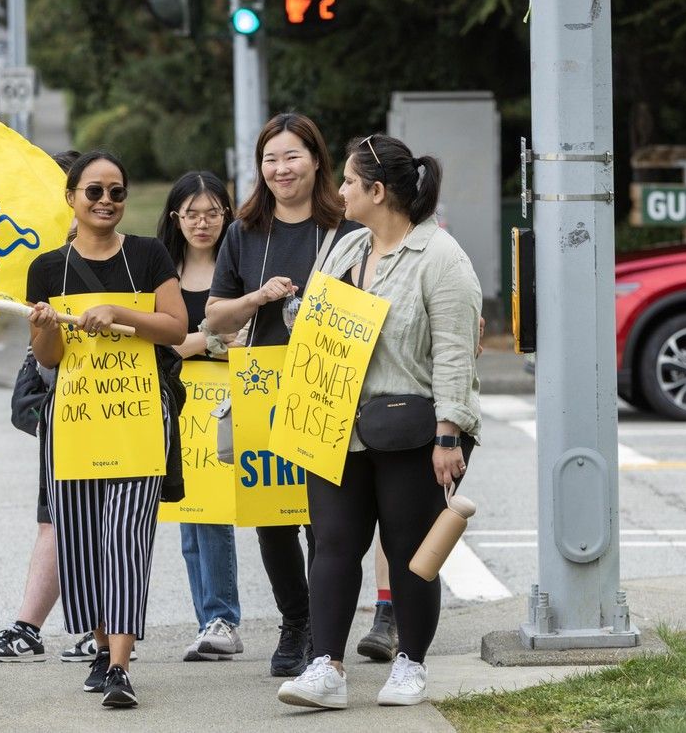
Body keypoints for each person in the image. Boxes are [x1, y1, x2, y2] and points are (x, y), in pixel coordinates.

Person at [277, 133, 481, 710]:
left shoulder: (440, 257)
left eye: (348, 181)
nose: (339, 190)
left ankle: (411, 664)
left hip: (412, 430)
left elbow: (455, 352)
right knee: (333, 544)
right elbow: (316, 322)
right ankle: (326, 667)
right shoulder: (346, 247)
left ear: (377, 191)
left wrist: (449, 434)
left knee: (409, 547)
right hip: (337, 425)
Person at [26, 149, 188, 709]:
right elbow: (47, 357)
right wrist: (47, 326)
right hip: (74, 425)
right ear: (71, 197)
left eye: (116, 192)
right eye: (93, 191)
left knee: (125, 542)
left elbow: (175, 328)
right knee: (83, 544)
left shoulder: (147, 255)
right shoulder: (47, 268)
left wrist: (119, 314)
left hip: (138, 420)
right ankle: (99, 648)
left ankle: (120, 665)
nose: (105, 201)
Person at [205, 113, 361, 677]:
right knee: (272, 519)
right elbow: (216, 315)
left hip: (329, 387)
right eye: (270, 159)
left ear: (317, 160)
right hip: (263, 389)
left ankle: (323, 627)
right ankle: (294, 622)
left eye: (292, 156)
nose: (281, 169)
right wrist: (257, 299)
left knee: (326, 521)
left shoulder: (348, 228)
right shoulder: (245, 232)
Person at [0, 149, 83, 665]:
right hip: (61, 403)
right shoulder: (44, 260)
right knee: (55, 519)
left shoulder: (122, 257)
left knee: (98, 522)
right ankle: (30, 627)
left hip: (110, 404)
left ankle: (104, 633)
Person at [156, 171, 244, 662]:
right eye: (192, 214)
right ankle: (210, 620)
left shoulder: (239, 268)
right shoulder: (162, 272)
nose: (202, 223)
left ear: (227, 215)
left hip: (235, 401)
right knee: (191, 516)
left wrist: (195, 341)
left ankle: (223, 617)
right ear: (176, 218)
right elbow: (162, 343)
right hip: (179, 404)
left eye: (212, 213)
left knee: (221, 515)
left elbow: (248, 339)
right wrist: (210, 339)